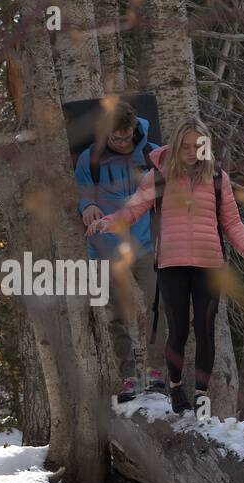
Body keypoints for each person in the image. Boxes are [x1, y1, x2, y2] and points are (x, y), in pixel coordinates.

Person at [90, 116, 244, 414]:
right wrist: (108, 222)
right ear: (176, 146)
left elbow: (231, 223)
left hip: (209, 263)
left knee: (205, 330)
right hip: (171, 264)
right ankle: (176, 388)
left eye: (198, 146)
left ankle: (202, 395)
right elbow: (134, 208)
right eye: (186, 146)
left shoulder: (218, 178)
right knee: (177, 330)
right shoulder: (158, 177)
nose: (192, 151)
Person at [74, 101, 167, 402]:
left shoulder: (153, 153)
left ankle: (155, 374)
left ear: (134, 129)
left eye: (127, 136)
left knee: (158, 307)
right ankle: (128, 378)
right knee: (114, 315)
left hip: (144, 245)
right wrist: (88, 206)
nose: (123, 142)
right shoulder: (91, 159)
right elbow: (81, 193)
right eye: (116, 138)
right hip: (104, 250)